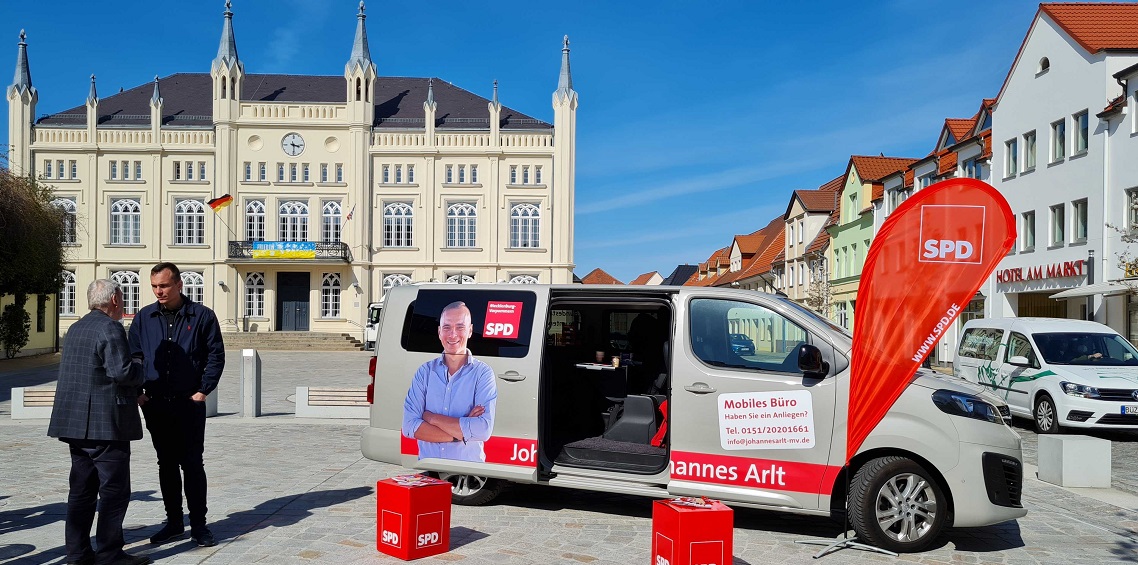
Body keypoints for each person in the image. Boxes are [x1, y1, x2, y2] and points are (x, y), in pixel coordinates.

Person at [48, 279, 152, 565]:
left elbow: (94, 373)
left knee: (81, 493)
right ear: (115, 301)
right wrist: (141, 367)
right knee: (114, 492)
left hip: (75, 424)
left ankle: (78, 554)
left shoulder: (75, 328)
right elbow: (121, 372)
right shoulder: (110, 327)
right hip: (106, 425)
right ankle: (109, 553)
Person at [129, 263, 225, 547]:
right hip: (156, 403)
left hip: (188, 404)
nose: (159, 291)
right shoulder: (144, 317)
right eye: (155, 286)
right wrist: (138, 392)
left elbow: (215, 356)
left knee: (193, 464)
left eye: (164, 286)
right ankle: (173, 523)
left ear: (179, 285)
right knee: (166, 464)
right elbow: (133, 355)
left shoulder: (203, 316)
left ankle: (199, 526)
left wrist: (202, 391)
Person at [401, 301, 497, 462]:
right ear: (439, 332)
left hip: (469, 473)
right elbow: (409, 427)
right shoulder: (424, 373)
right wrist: (462, 432)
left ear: (470, 331)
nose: (452, 334)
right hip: (430, 470)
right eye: (446, 327)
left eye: (460, 327)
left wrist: (430, 418)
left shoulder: (483, 374)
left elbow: (483, 430)